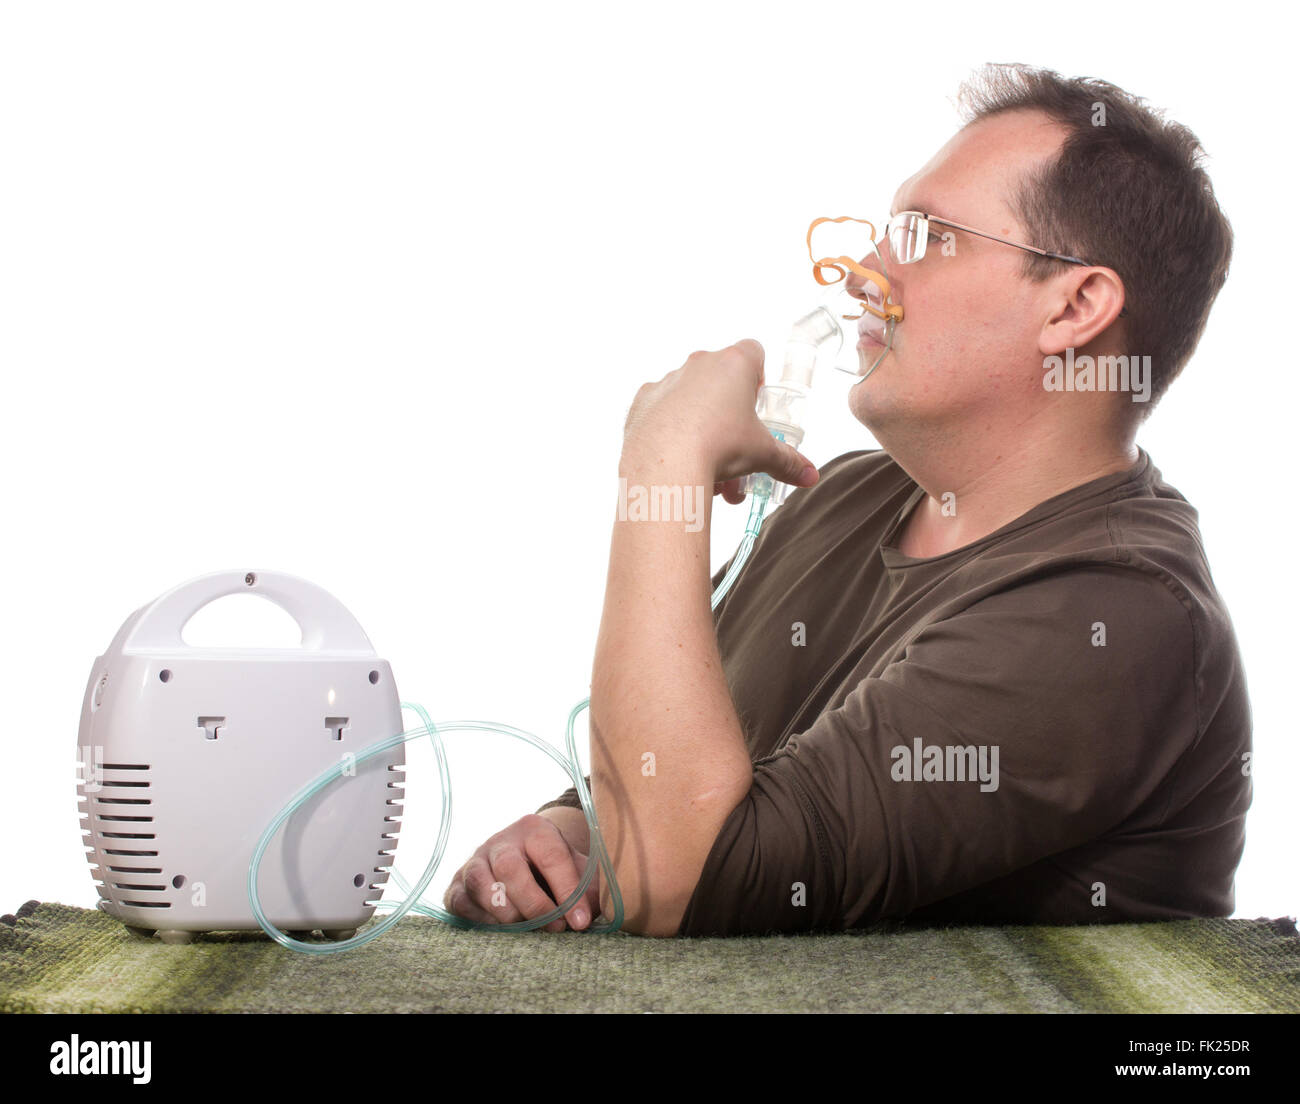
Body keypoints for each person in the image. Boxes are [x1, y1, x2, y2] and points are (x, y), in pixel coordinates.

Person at [443, 63, 1249, 936]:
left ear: (1076, 306)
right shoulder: (846, 497)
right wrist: (568, 834)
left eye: (926, 234)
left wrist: (664, 467)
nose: (867, 272)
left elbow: (685, 881)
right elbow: (667, 784)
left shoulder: (1120, 613)